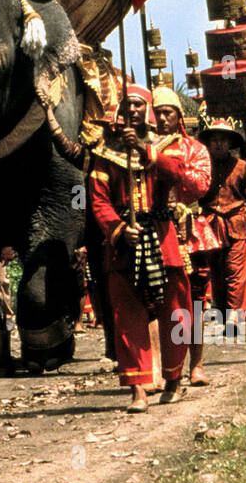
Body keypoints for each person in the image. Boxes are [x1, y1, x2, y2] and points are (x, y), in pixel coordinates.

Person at [89, 85, 211, 410]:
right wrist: (117, 228)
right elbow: (98, 200)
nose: (132, 111)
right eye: (127, 105)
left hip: (162, 236)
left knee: (176, 311)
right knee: (127, 315)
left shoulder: (166, 146)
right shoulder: (105, 153)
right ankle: (138, 390)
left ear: (148, 111)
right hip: (124, 244)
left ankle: (174, 379)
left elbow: (176, 176)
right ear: (119, 112)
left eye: (138, 105)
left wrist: (146, 151)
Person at [195, 120, 246, 338]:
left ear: (229, 143)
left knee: (235, 270)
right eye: (214, 140)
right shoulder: (202, 166)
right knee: (218, 272)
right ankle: (224, 312)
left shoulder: (242, 167)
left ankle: (234, 316)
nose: (218, 144)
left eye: (222, 140)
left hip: (237, 224)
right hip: (210, 226)